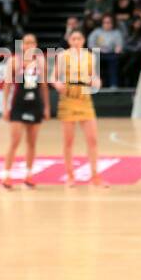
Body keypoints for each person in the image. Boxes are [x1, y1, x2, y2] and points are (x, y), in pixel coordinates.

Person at [54, 30, 107, 188]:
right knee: (68, 141)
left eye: (79, 38)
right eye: (73, 38)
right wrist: (57, 84)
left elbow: (94, 76)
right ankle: (70, 176)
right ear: (69, 40)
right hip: (68, 96)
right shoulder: (63, 56)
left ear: (83, 40)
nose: (76, 41)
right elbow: (53, 76)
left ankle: (95, 175)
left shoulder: (90, 56)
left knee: (93, 139)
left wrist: (97, 82)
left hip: (84, 95)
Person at [0, 34, 49, 189]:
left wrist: (47, 107)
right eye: (26, 42)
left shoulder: (41, 62)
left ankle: (29, 175)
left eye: (32, 42)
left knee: (32, 142)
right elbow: (7, 85)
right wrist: (5, 107)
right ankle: (6, 175)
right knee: (15, 141)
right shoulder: (14, 61)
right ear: (22, 45)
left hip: (35, 104)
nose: (29, 45)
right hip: (18, 105)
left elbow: (43, 86)